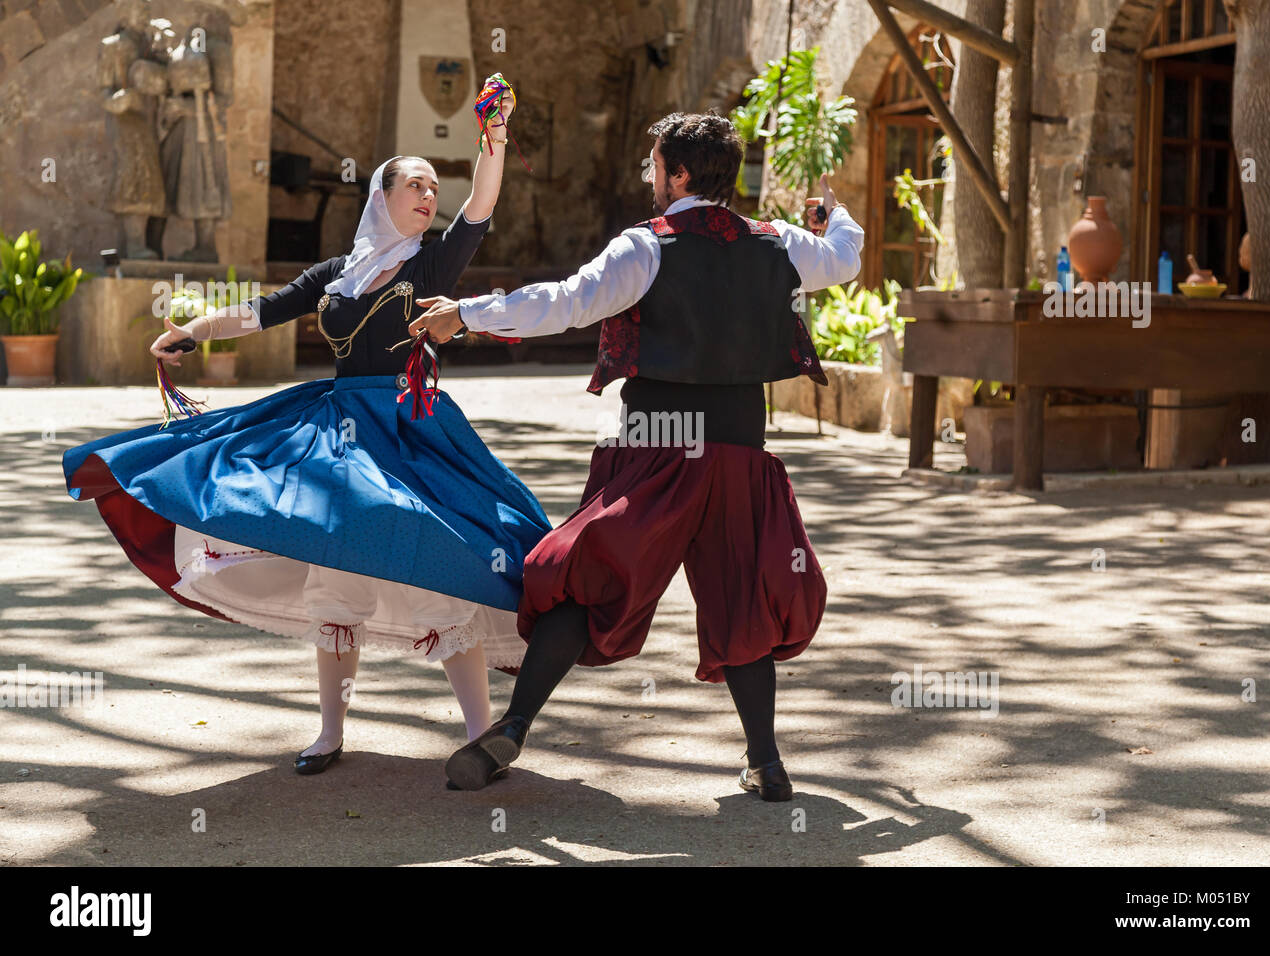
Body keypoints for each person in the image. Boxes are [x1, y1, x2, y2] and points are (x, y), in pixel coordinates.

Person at [63, 78, 551, 782]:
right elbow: (261, 312)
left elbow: (481, 206)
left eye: (432, 188)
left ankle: (483, 735)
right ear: (380, 197)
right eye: (413, 184)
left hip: (411, 426)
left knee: (445, 563)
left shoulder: (433, 262)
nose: (427, 195)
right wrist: (192, 332)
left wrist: (494, 140)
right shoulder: (335, 277)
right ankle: (329, 733)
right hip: (337, 431)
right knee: (333, 571)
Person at [412, 110, 864, 800]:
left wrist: (466, 313)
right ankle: (766, 763)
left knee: (583, 576)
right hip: (743, 449)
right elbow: (847, 257)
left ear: (678, 173)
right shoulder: (782, 243)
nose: (650, 176)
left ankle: (515, 724)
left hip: (658, 448)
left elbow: (567, 304)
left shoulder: (646, 246)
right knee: (744, 597)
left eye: (655, 164)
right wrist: (836, 212)